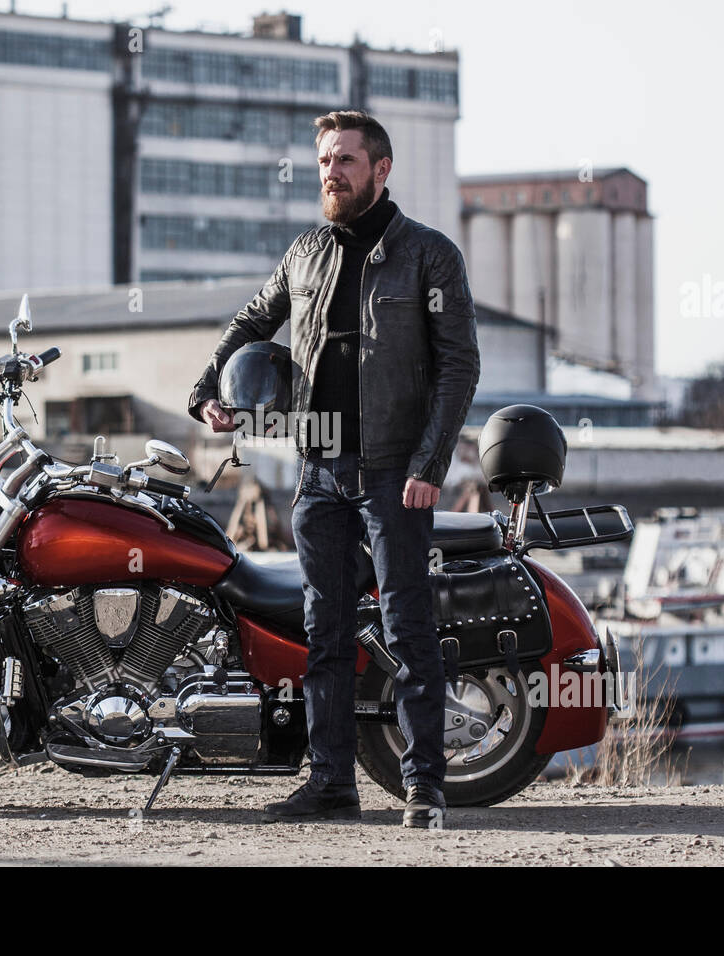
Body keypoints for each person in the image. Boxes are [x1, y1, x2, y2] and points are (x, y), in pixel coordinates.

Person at [187, 110, 480, 828]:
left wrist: (429, 462)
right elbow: (251, 323)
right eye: (324, 160)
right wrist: (205, 391)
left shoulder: (428, 255)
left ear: (381, 169)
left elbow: (459, 366)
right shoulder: (306, 254)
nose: (331, 172)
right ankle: (331, 786)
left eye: (345, 159)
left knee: (408, 630)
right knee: (324, 635)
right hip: (320, 468)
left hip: (393, 473)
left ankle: (424, 789)